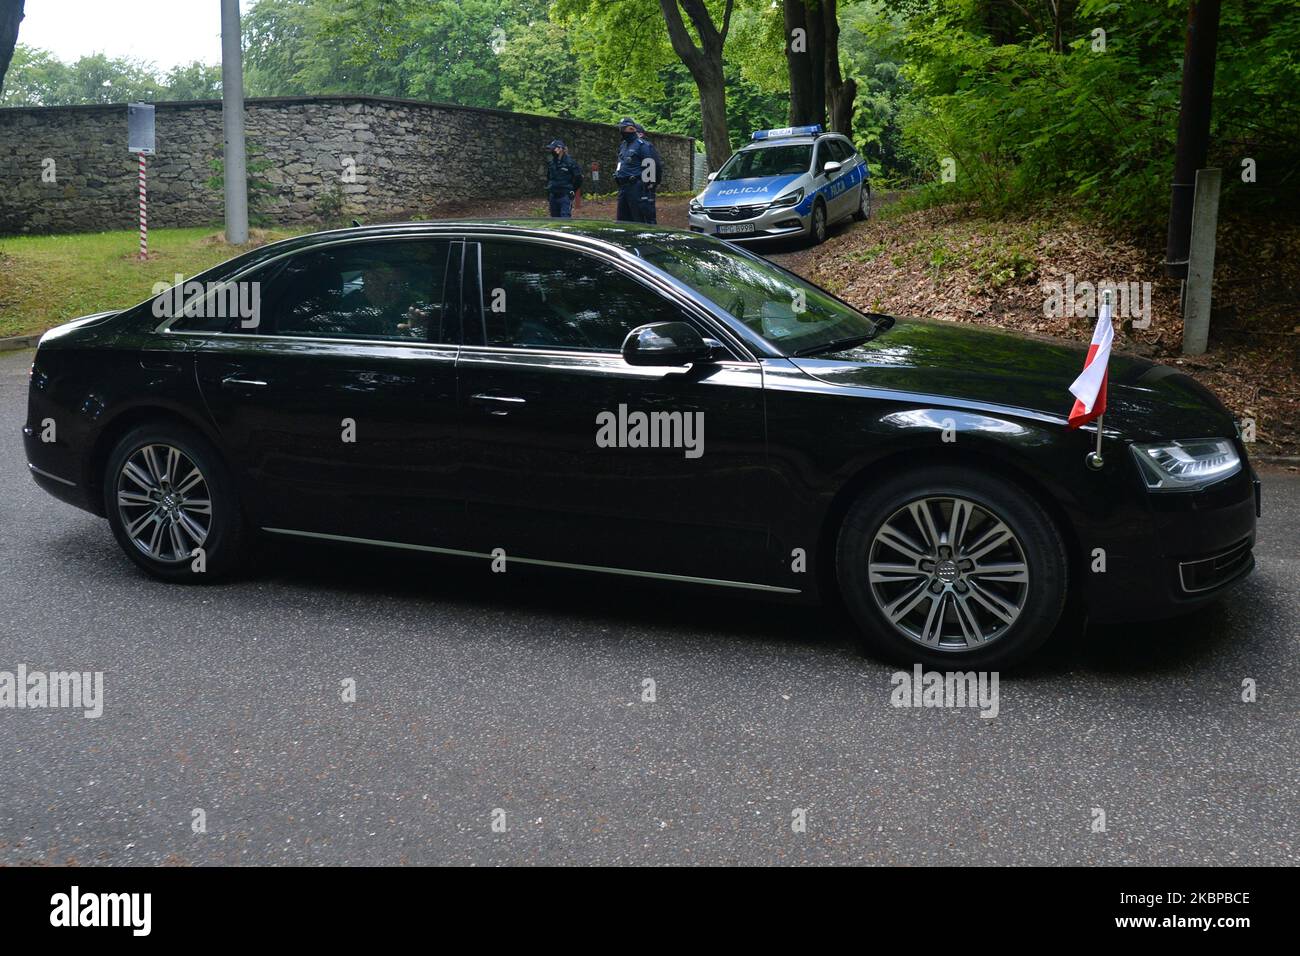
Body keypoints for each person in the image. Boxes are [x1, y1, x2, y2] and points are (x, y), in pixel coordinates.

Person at [614, 117, 653, 222]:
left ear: (632, 129)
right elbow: (621, 162)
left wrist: (647, 187)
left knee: (638, 219)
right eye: (620, 129)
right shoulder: (623, 145)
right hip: (623, 187)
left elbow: (650, 166)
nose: (621, 131)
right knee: (622, 220)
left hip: (636, 187)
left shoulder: (642, 145)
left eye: (623, 129)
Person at [634, 123, 664, 225]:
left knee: (647, 215)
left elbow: (655, 165)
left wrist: (653, 183)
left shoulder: (646, 146)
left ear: (640, 134)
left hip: (645, 186)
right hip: (638, 187)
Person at [544, 139, 582, 218]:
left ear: (560, 149)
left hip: (565, 196)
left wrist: (571, 191)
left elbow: (578, 178)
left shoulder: (570, 162)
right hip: (553, 196)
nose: (552, 151)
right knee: (554, 221)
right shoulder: (551, 163)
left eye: (554, 148)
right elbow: (549, 178)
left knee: (565, 220)